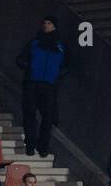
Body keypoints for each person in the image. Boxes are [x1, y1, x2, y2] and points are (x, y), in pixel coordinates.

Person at [15, 15, 70, 157]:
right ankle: (30, 144)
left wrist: (56, 75)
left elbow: (67, 66)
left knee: (48, 117)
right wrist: (30, 69)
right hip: (32, 83)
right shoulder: (34, 43)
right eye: (44, 23)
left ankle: (43, 146)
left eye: (49, 23)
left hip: (49, 86)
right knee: (29, 115)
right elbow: (20, 59)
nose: (46, 25)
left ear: (54, 26)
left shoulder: (60, 46)